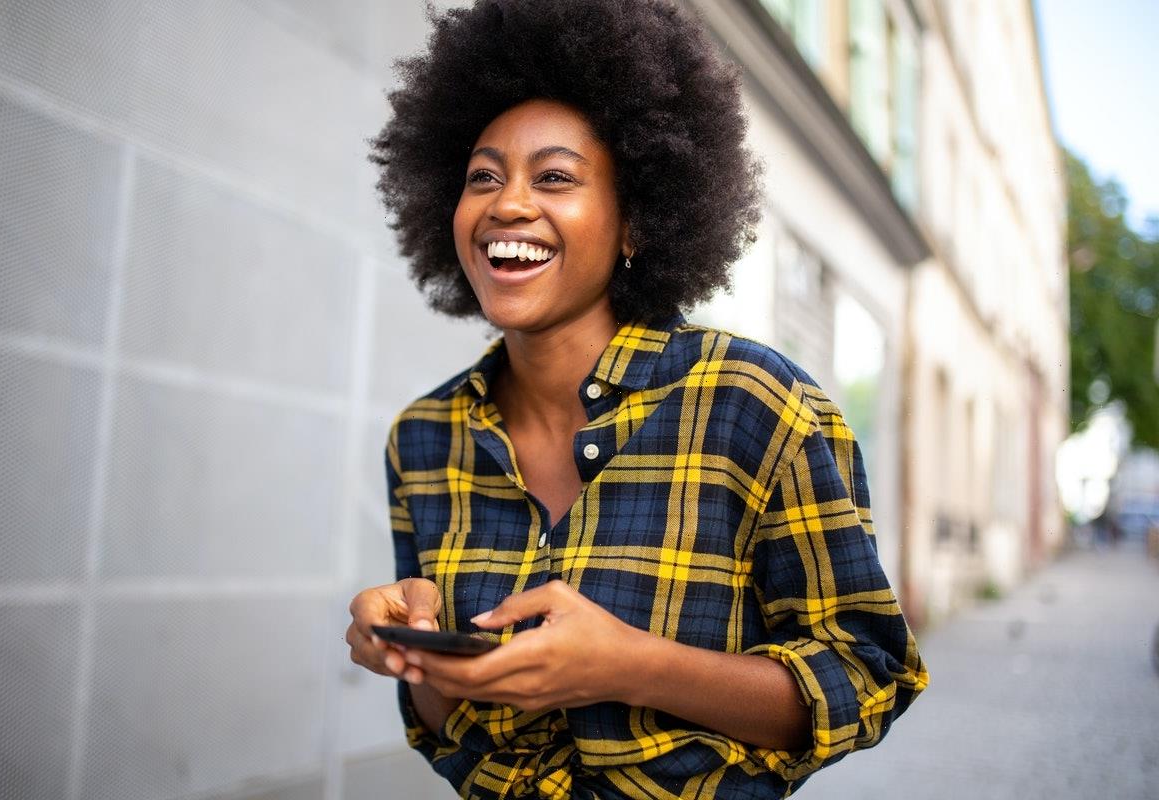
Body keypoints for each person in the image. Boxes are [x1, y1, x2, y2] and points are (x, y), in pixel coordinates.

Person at [345, 1, 928, 797]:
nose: (506, 205)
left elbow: (866, 673)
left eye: (554, 177)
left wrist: (630, 667)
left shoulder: (755, 405)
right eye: (483, 177)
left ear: (635, 224)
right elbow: (451, 728)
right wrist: (418, 655)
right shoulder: (424, 439)